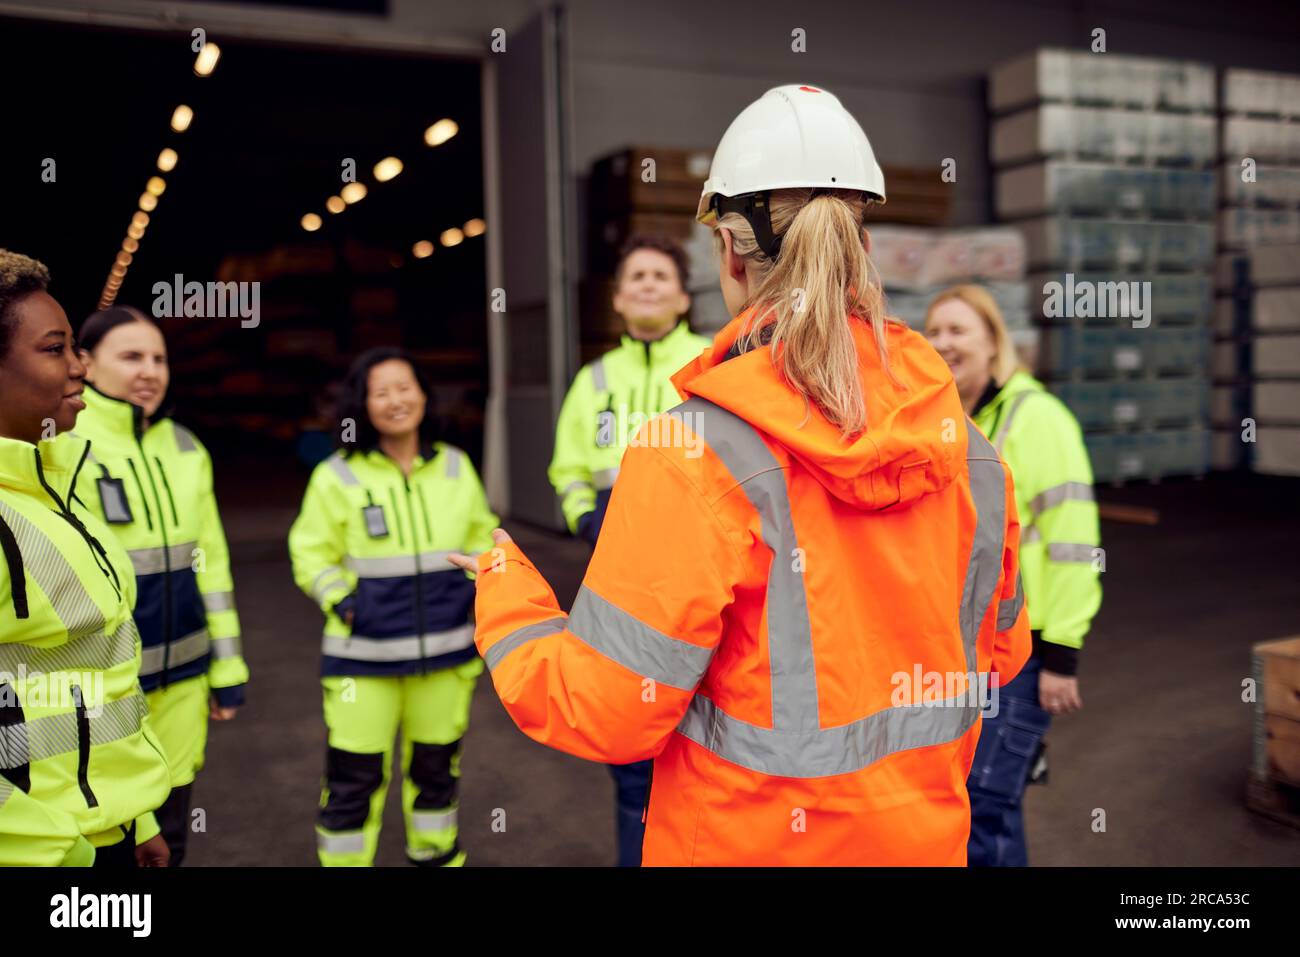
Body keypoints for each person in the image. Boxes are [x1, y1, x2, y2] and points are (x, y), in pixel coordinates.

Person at [449, 85, 1032, 865]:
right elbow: (1001, 652)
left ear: (727, 251)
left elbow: (608, 710)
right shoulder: (973, 452)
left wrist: (503, 588)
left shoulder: (694, 452)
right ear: (860, 243)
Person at [288, 347, 498, 867]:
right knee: (353, 780)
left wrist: (481, 586)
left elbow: (482, 538)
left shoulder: (455, 466)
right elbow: (309, 552)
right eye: (381, 392)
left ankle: (436, 858)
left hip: (446, 658)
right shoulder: (337, 476)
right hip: (365, 661)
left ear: (425, 395)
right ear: (363, 404)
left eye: (405, 387)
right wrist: (345, 601)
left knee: (435, 774)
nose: (396, 400)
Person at [0, 249, 171, 866]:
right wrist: (62, 854)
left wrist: (136, 816)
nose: (79, 367)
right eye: (55, 349)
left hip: (105, 834)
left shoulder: (57, 492)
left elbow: (97, 683)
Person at [924, 284, 1101, 867]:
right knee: (969, 801)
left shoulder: (1037, 417)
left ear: (994, 341)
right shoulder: (944, 421)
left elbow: (1075, 544)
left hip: (1022, 655)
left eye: (959, 331)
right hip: (958, 651)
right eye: (934, 331)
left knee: (986, 802)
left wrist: (1062, 654)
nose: (943, 343)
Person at [548, 234, 710, 866]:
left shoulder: (710, 363)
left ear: (681, 296)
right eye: (635, 276)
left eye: (660, 276)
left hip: (701, 579)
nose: (647, 285)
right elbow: (566, 470)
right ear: (617, 299)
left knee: (703, 730)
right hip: (617, 588)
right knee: (630, 737)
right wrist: (586, 518)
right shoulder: (592, 382)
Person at [71, 306, 249, 866]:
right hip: (102, 697)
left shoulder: (187, 448)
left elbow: (212, 566)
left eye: (159, 358)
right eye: (130, 357)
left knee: (170, 836)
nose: (149, 370)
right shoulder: (63, 442)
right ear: (85, 363)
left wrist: (228, 667)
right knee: (107, 841)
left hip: (185, 684)